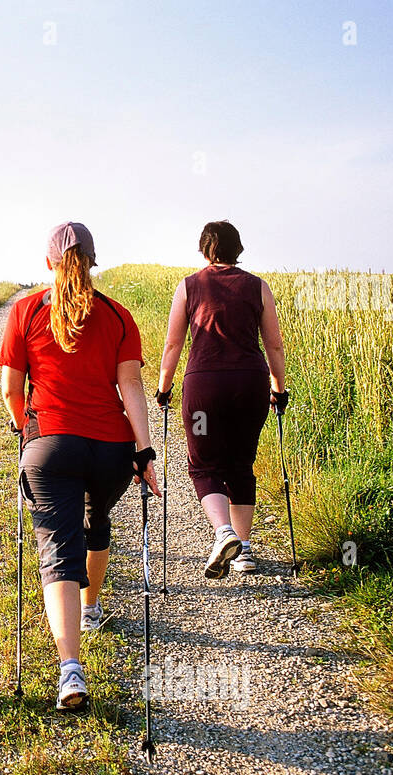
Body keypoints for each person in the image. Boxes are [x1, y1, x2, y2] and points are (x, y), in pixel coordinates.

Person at [0, 222, 160, 711]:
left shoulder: (26, 311)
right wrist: (144, 451)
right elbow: (131, 389)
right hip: (111, 449)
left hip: (51, 445)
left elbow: (10, 388)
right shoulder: (117, 315)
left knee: (57, 551)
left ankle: (71, 669)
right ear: (93, 260)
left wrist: (22, 427)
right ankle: (91, 608)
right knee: (97, 518)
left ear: (49, 262)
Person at [154, 220, 288, 578]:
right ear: (238, 249)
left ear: (204, 250)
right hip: (250, 382)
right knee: (242, 463)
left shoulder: (189, 287)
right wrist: (278, 388)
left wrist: (164, 388)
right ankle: (243, 551)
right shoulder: (258, 287)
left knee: (204, 465)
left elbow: (173, 344)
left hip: (205, 386)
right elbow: (273, 344)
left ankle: (223, 532)